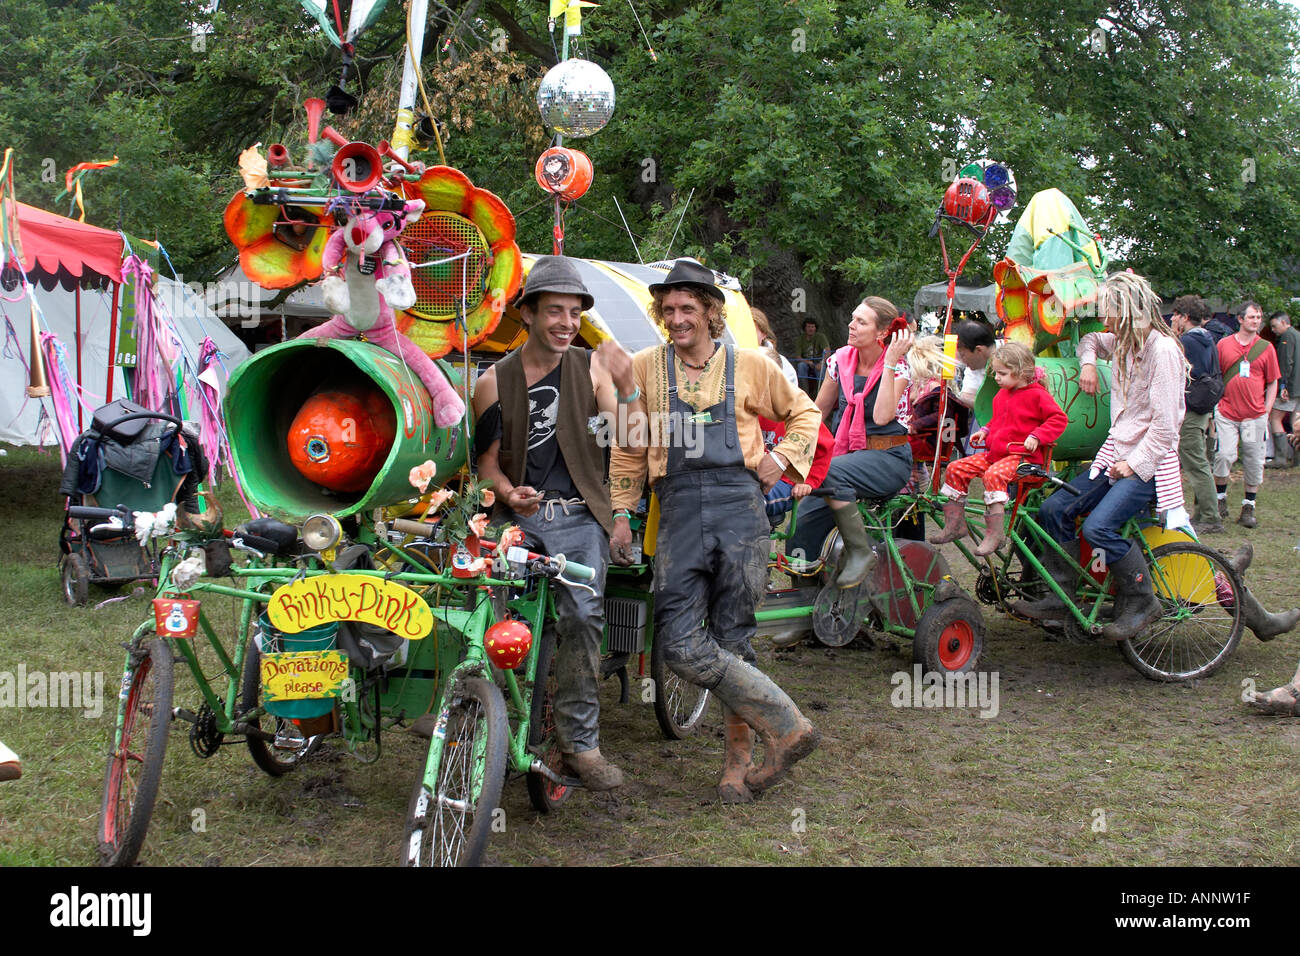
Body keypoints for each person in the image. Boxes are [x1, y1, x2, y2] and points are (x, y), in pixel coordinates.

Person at [608, 258, 822, 804]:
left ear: (710, 312)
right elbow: (630, 444)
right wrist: (619, 513)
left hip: (739, 509)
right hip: (676, 510)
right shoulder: (641, 367)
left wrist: (785, 458)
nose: (677, 319)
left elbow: (804, 415)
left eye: (687, 309)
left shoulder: (750, 365)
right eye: (669, 309)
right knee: (679, 642)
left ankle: (738, 763)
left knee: (734, 637)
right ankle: (789, 723)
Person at [469, 255, 633, 791]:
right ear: (530, 314)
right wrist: (504, 491)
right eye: (554, 312)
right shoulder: (494, 381)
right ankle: (483, 721)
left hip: (579, 518)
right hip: (518, 520)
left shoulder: (593, 368)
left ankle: (580, 743)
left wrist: (626, 388)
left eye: (573, 312)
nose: (566, 323)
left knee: (583, 618)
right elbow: (487, 464)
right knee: (483, 615)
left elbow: (629, 434)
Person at [1011, 272, 1185, 642]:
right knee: (1052, 510)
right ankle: (1062, 596)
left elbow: (1167, 426)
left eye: (1109, 314)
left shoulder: (1163, 350)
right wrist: (1088, 363)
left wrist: (1135, 464)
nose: (1105, 322)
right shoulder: (1123, 341)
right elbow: (1090, 339)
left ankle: (1141, 600)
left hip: (1148, 464)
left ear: (1128, 312)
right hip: (1114, 454)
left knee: (1098, 528)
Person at [787, 296, 914, 588]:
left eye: (861, 321)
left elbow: (882, 417)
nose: (851, 325)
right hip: (849, 457)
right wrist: (794, 447)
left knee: (828, 470)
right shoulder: (839, 361)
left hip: (888, 458)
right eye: (853, 318)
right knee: (802, 515)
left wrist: (891, 361)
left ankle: (860, 550)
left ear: (882, 333)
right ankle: (802, 603)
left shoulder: (899, 369)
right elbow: (817, 413)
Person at [929, 342, 1067, 556]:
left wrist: (1037, 436)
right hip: (997, 455)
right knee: (956, 468)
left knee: (994, 476)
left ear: (1021, 372)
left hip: (1024, 459)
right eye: (996, 372)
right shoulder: (1002, 394)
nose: (997, 378)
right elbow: (999, 421)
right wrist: (985, 430)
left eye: (1002, 373)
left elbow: (1058, 419)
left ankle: (995, 533)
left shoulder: (1038, 395)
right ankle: (955, 524)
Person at [1213, 302, 1279, 529]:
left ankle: (1248, 506)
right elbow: (1215, 377)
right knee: (1224, 455)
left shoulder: (1266, 348)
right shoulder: (1224, 345)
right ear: (1240, 319)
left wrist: (1267, 410)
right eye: (1252, 317)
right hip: (1227, 413)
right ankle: (1220, 498)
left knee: (1253, 460)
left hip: (1254, 415)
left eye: (1259, 317)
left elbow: (1273, 382)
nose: (1256, 320)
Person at [1169, 294, 1222, 533]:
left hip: (1190, 408)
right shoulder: (1207, 338)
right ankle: (1204, 512)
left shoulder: (1188, 341)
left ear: (1185, 317)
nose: (1173, 319)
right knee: (1199, 459)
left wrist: (1173, 335)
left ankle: (1210, 517)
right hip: (1203, 406)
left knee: (1195, 461)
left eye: (1176, 315)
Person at [948, 320, 996, 454]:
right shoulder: (974, 367)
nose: (963, 361)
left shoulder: (1013, 356)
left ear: (979, 350)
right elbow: (965, 396)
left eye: (963, 355)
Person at [1266, 311, 1299, 469]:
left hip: (1291, 387)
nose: (1273, 330)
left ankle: (1280, 457)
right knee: (1296, 422)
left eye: (1275, 326)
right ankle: (1297, 459)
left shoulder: (1287, 337)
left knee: (1275, 417)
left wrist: (1283, 386)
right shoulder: (1298, 335)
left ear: (1285, 323)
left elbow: (1286, 363)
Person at [750, 307, 799, 389]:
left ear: (764, 334)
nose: (747, 335)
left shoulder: (783, 364)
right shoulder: (730, 358)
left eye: (752, 331)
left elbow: (788, 396)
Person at [793, 318, 831, 397]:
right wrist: (808, 362)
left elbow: (827, 352)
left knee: (822, 370)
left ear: (815, 328)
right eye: (808, 327)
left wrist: (821, 362)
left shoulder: (820, 337)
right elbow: (798, 356)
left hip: (819, 361)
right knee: (801, 366)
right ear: (805, 328)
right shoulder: (800, 339)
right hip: (806, 362)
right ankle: (804, 394)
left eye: (812, 327)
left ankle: (821, 395)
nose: (811, 329)